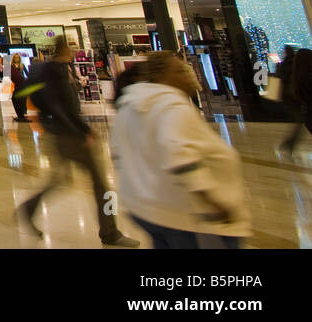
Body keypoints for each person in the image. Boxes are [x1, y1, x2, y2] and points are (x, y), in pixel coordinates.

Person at [110, 52, 250, 248]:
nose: (189, 75)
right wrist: (212, 201)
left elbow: (117, 153)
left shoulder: (130, 104)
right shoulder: (172, 106)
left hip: (147, 209)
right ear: (163, 76)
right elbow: (179, 156)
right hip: (188, 216)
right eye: (180, 70)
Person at [17, 37, 139, 247]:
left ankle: (29, 208)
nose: (74, 51)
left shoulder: (60, 69)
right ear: (64, 48)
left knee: (61, 181)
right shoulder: (56, 71)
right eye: (71, 47)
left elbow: (63, 105)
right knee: (102, 184)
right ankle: (110, 232)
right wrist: (82, 131)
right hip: (69, 135)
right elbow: (60, 107)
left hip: (62, 133)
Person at [9, 54, 29, 122]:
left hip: (23, 83)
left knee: (23, 98)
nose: (17, 59)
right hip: (17, 84)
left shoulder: (22, 65)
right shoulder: (12, 66)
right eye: (15, 57)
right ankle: (20, 115)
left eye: (18, 57)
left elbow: (27, 73)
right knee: (16, 98)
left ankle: (23, 112)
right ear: (13, 58)